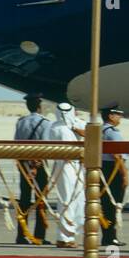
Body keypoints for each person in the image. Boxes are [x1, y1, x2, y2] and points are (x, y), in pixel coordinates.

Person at [13, 92, 51, 244]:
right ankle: (39, 235)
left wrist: (25, 164)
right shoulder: (45, 123)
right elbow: (46, 146)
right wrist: (35, 166)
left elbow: (16, 143)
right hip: (39, 165)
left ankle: (21, 235)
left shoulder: (21, 122)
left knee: (24, 200)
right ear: (40, 106)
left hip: (24, 164)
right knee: (40, 200)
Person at [49, 102, 86, 248]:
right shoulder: (56, 128)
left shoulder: (77, 125)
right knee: (66, 200)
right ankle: (64, 237)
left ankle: (72, 233)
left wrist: (75, 128)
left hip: (77, 166)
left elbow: (92, 135)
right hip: (64, 167)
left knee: (79, 199)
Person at [100, 103, 127, 248]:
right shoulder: (113, 132)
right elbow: (117, 155)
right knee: (114, 204)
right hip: (113, 170)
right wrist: (125, 174)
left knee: (105, 205)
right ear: (111, 116)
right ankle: (111, 237)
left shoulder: (99, 130)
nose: (120, 117)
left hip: (102, 169)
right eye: (118, 114)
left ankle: (107, 235)